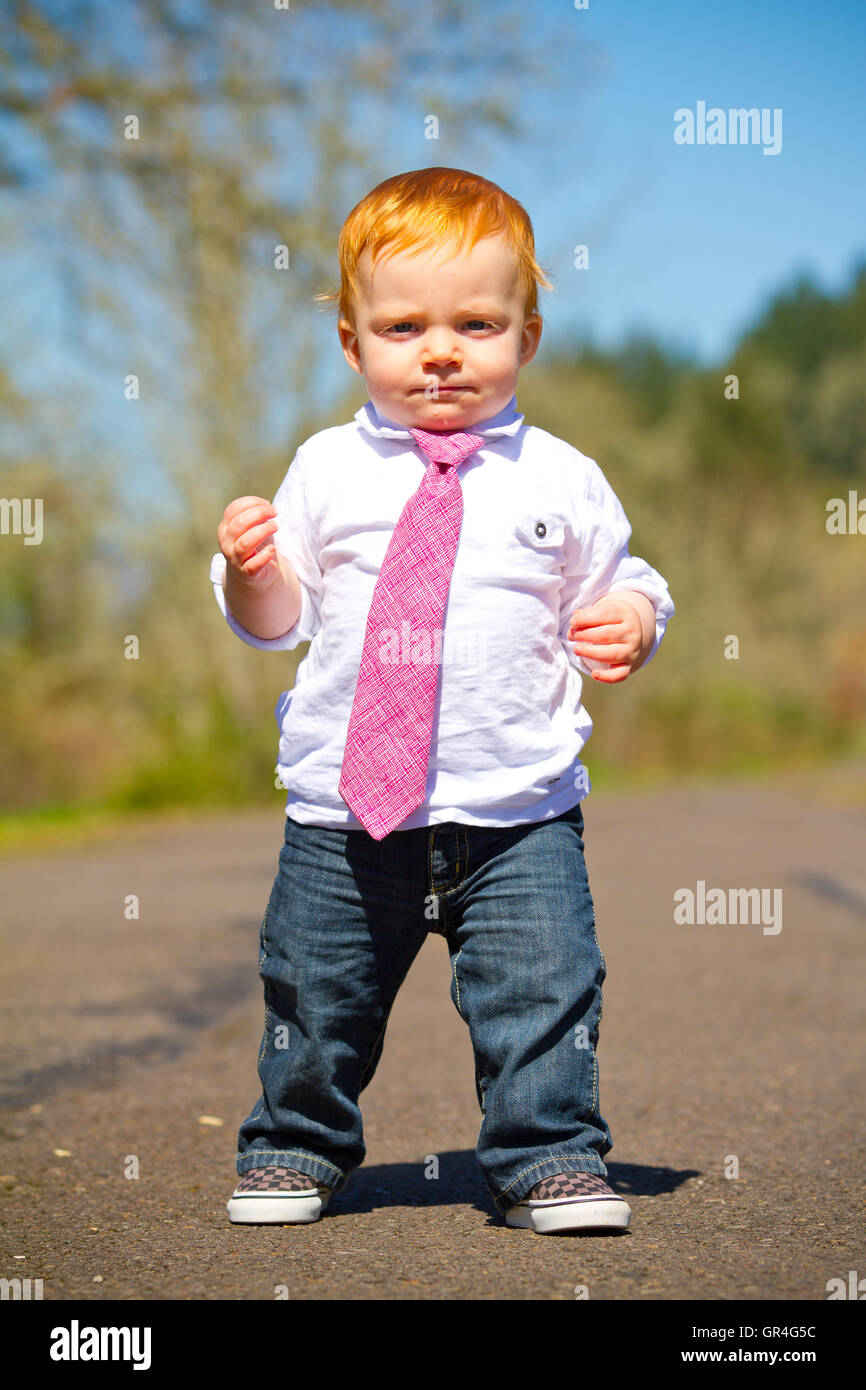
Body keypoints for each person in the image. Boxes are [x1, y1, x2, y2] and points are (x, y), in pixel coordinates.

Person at [209, 167, 674, 1235]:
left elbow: (627, 577)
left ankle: (547, 1155)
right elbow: (278, 617)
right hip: (344, 811)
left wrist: (635, 619)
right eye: (403, 323)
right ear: (349, 340)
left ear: (528, 334)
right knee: (313, 996)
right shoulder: (326, 470)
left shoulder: (560, 475)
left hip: (516, 808)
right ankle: (295, 1141)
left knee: (543, 993)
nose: (440, 349)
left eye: (476, 321)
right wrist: (248, 566)